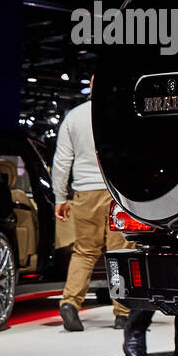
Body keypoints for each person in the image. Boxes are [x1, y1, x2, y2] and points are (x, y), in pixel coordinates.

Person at [52, 78, 129, 331]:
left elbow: (62, 161)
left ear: (91, 86)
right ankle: (122, 313)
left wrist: (60, 198)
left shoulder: (73, 117)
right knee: (120, 253)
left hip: (84, 192)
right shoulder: (122, 112)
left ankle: (70, 303)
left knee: (84, 251)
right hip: (117, 192)